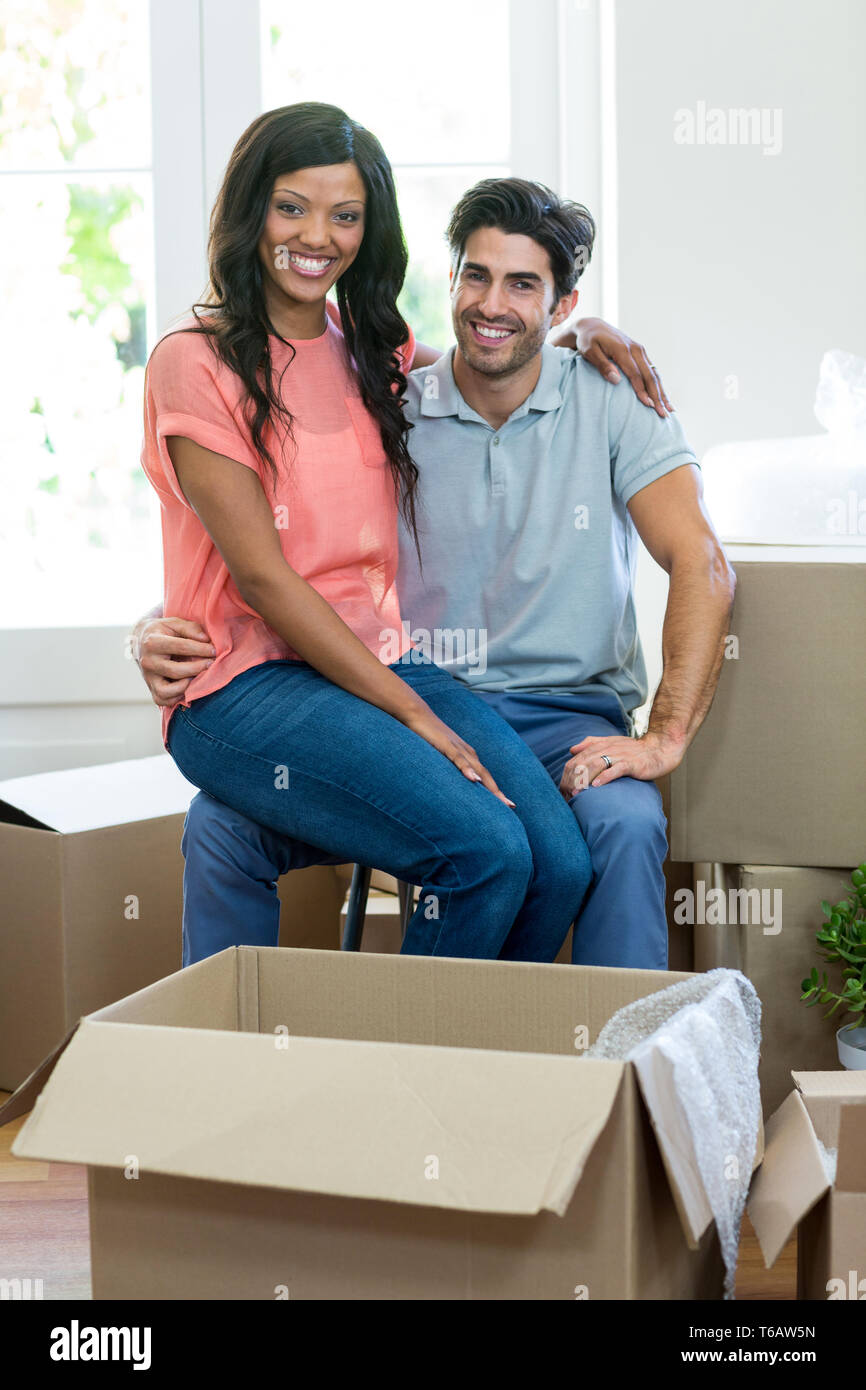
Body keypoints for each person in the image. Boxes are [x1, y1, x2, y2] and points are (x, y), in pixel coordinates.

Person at [139, 172, 736, 971]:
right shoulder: (384, 406)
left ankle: (610, 1077)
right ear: (449, 281)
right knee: (222, 825)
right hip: (399, 707)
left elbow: (700, 563)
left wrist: (663, 738)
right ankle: (229, 1064)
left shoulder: (612, 399)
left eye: (524, 284)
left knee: (624, 828)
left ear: (561, 303)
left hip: (566, 720)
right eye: (477, 277)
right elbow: (269, 552)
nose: (494, 305)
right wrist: (154, 624)